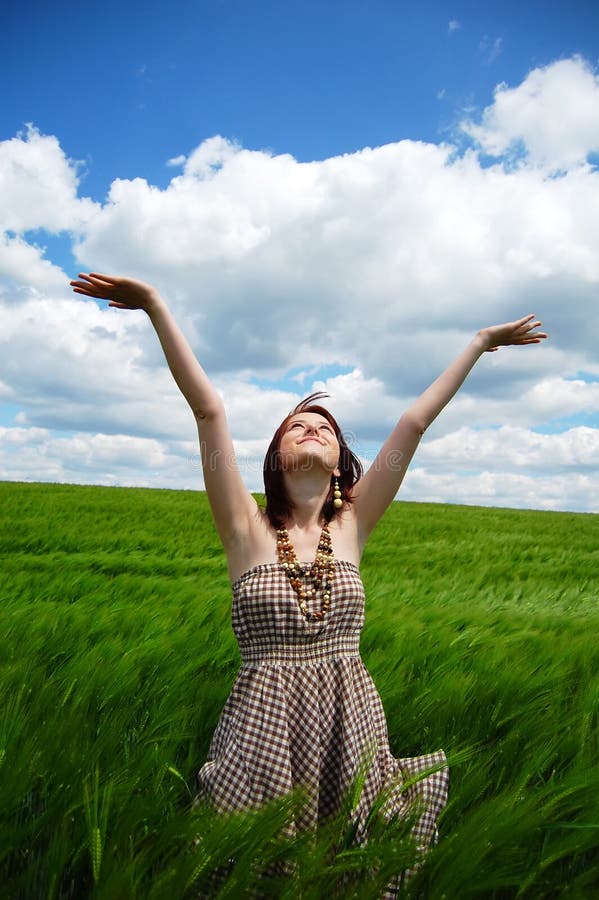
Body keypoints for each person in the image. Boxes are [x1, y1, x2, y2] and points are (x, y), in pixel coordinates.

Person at [71, 272, 548, 890]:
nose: (313, 427)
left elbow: (412, 425)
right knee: (253, 868)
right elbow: (209, 409)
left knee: (345, 866)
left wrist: (480, 342)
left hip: (348, 720)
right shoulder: (245, 528)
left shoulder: (353, 523)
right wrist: (157, 306)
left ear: (342, 460)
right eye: (296, 425)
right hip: (263, 722)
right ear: (274, 457)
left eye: (325, 426)